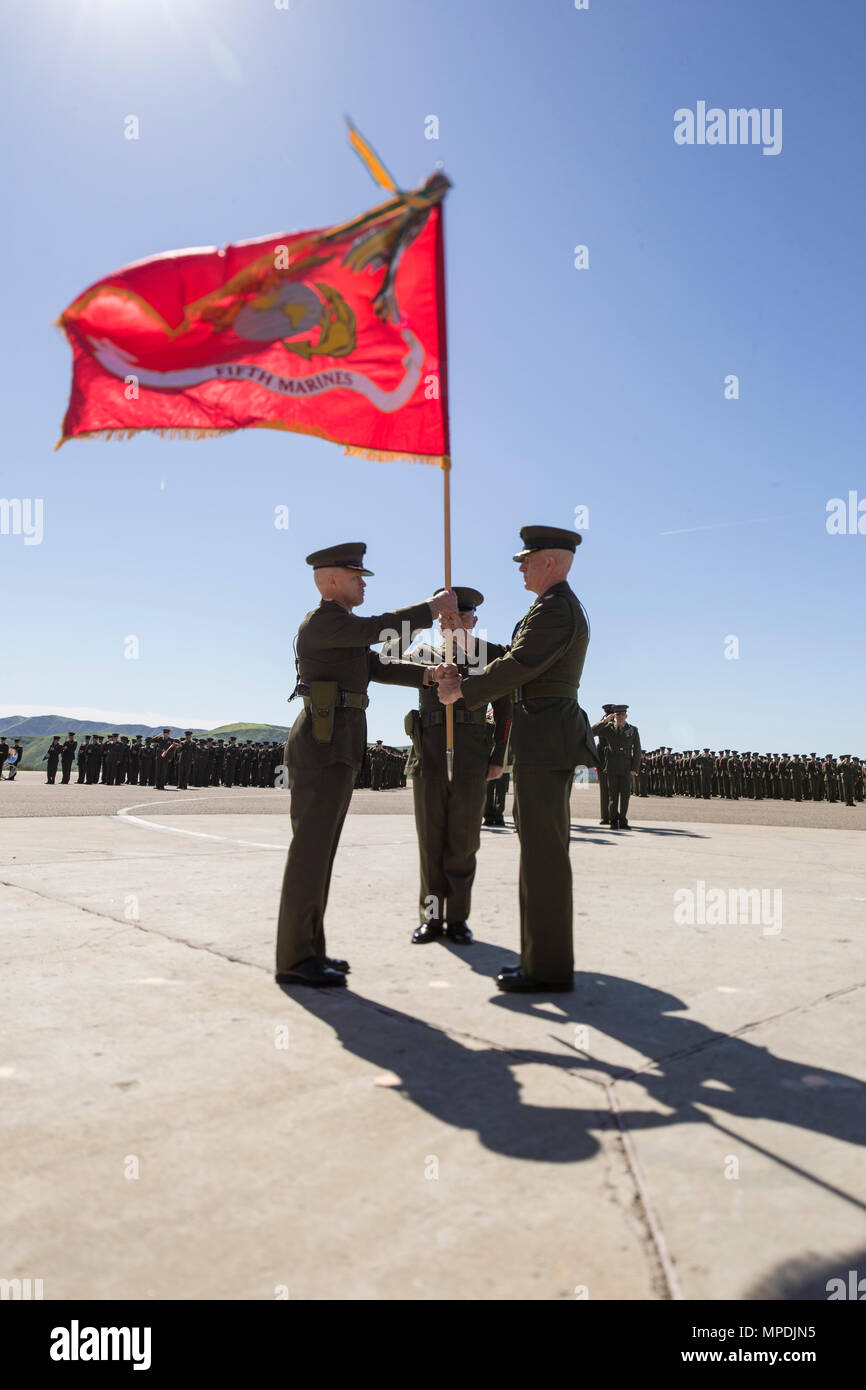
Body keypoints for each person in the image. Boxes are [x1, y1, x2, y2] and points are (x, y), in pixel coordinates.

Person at [274, 540, 457, 989]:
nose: (363, 583)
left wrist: (427, 676)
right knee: (311, 852)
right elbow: (381, 630)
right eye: (357, 577)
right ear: (331, 579)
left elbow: (374, 663)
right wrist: (431, 609)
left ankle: (309, 950)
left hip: (336, 742)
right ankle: (295, 958)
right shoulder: (323, 622)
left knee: (321, 852)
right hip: (322, 742)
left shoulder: (343, 627)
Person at [436, 524, 597, 994]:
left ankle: (546, 968)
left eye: (526, 559)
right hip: (542, 735)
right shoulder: (550, 608)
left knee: (544, 854)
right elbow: (511, 656)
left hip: (546, 736)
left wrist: (461, 691)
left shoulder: (555, 610)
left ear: (550, 561)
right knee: (539, 848)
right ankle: (542, 961)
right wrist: (463, 644)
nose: (521, 566)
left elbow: (518, 666)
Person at [403, 586, 510, 946]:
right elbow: (387, 655)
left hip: (471, 759)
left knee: (463, 843)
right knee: (430, 844)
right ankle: (432, 919)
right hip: (429, 758)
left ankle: (458, 919)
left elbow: (507, 708)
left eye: (461, 618)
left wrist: (498, 757)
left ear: (475, 621)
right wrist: (422, 618)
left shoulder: (489, 658)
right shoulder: (423, 655)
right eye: (447, 618)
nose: (454, 624)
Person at [593, 705, 641, 829]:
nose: (620, 717)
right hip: (612, 765)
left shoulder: (633, 730)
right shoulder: (608, 728)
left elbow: (637, 750)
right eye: (617, 715)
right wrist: (605, 721)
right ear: (614, 716)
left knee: (625, 796)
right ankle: (614, 821)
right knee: (613, 796)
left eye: (622, 715)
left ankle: (623, 820)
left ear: (626, 716)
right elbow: (591, 732)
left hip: (626, 766)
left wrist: (635, 768)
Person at [591, 705, 615, 823]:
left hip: (614, 761)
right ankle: (605, 817)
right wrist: (604, 721)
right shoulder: (602, 725)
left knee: (614, 790)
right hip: (602, 762)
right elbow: (591, 732)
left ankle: (612, 816)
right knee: (604, 790)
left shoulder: (617, 726)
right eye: (607, 715)